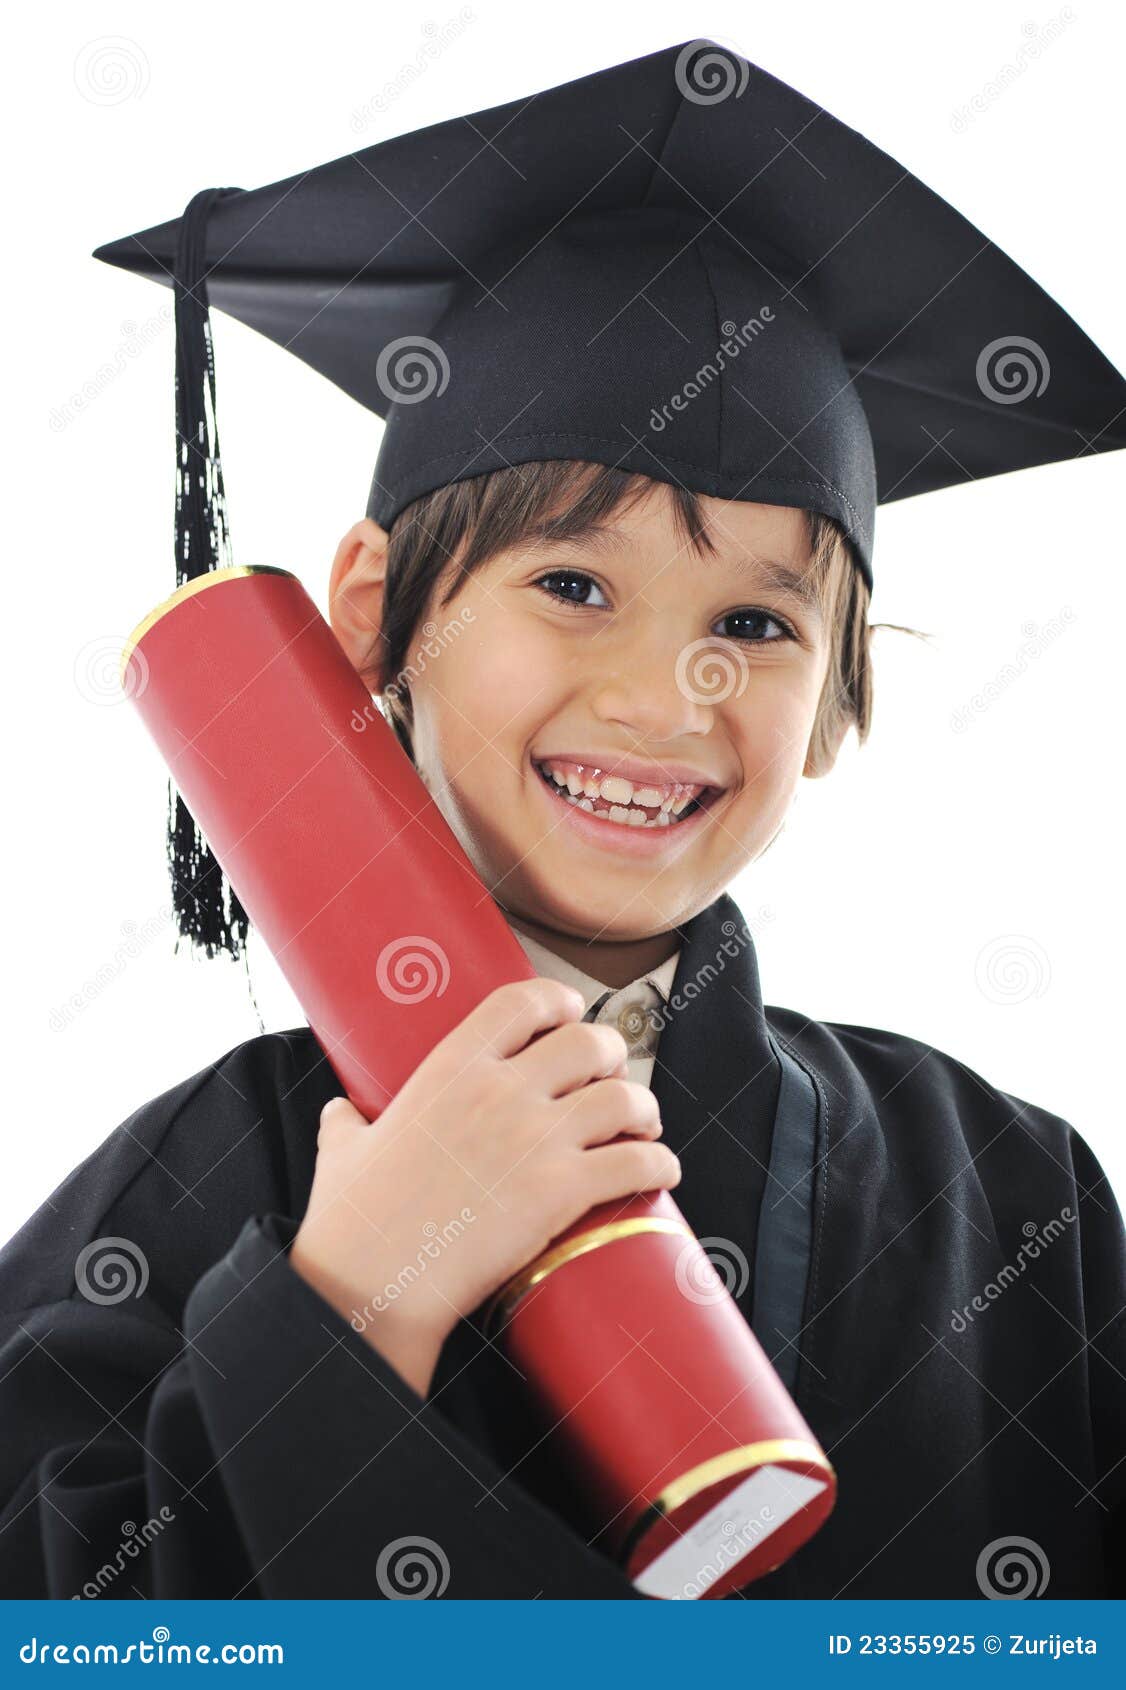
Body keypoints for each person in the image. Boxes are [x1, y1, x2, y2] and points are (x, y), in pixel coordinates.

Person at [1, 39, 1123, 1601]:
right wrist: (347, 1302)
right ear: (374, 614)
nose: (665, 698)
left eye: (757, 624)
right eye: (573, 584)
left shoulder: (1003, 1192)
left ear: (837, 701)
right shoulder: (193, 1181)